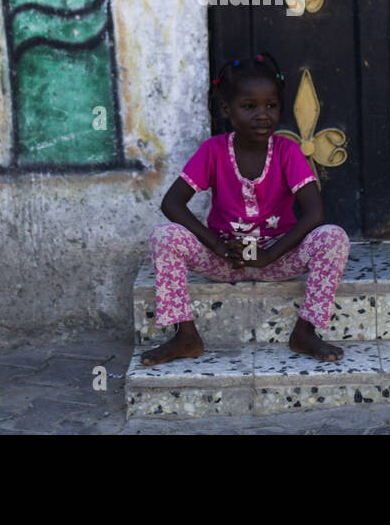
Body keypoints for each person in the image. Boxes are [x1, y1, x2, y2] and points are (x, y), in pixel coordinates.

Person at [141, 53, 350, 365]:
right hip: (225, 258)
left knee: (333, 237)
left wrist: (269, 255)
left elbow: (314, 213)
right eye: (249, 107)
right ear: (227, 110)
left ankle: (305, 331)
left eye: (271, 105)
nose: (262, 115)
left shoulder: (287, 151)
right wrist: (218, 246)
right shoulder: (212, 151)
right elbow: (172, 203)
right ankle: (185, 336)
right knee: (164, 236)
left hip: (276, 257)